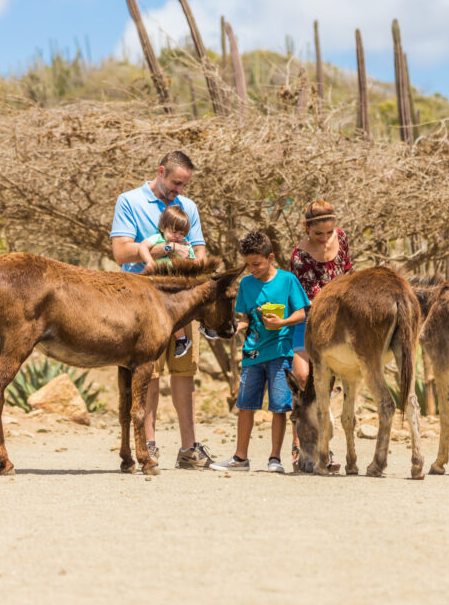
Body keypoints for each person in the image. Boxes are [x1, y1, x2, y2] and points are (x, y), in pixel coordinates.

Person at [110, 150, 213, 469]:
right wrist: (166, 248)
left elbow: (200, 251)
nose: (179, 190)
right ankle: (148, 445)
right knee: (147, 373)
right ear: (160, 172)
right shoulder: (129, 201)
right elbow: (121, 252)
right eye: (176, 183)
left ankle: (189, 448)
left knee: (184, 373)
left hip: (180, 302)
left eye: (184, 185)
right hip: (141, 302)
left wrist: (198, 265)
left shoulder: (188, 207)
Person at [210, 231, 309, 473]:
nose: (252, 269)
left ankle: (275, 458)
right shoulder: (246, 283)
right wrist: (235, 329)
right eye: (248, 264)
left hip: (280, 352)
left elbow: (302, 313)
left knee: (279, 407)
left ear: (271, 257)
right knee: (245, 405)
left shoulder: (287, 281)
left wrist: (281, 323)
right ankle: (240, 458)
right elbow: (245, 317)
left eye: (257, 264)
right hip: (252, 354)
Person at [288, 200, 352, 470]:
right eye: (319, 234)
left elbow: (348, 272)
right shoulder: (299, 256)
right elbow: (312, 297)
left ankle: (325, 446)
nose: (326, 239)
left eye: (330, 232)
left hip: (338, 321)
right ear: (306, 228)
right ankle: (297, 446)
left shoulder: (342, 239)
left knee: (324, 385)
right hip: (309, 320)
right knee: (303, 379)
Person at [137, 204, 198, 358]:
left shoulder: (185, 246)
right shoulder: (158, 239)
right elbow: (143, 247)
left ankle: (182, 339)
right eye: (174, 231)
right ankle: (181, 339)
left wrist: (187, 259)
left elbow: (192, 266)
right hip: (158, 284)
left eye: (182, 233)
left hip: (175, 286)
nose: (177, 236)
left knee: (175, 311)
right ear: (163, 227)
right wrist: (149, 261)